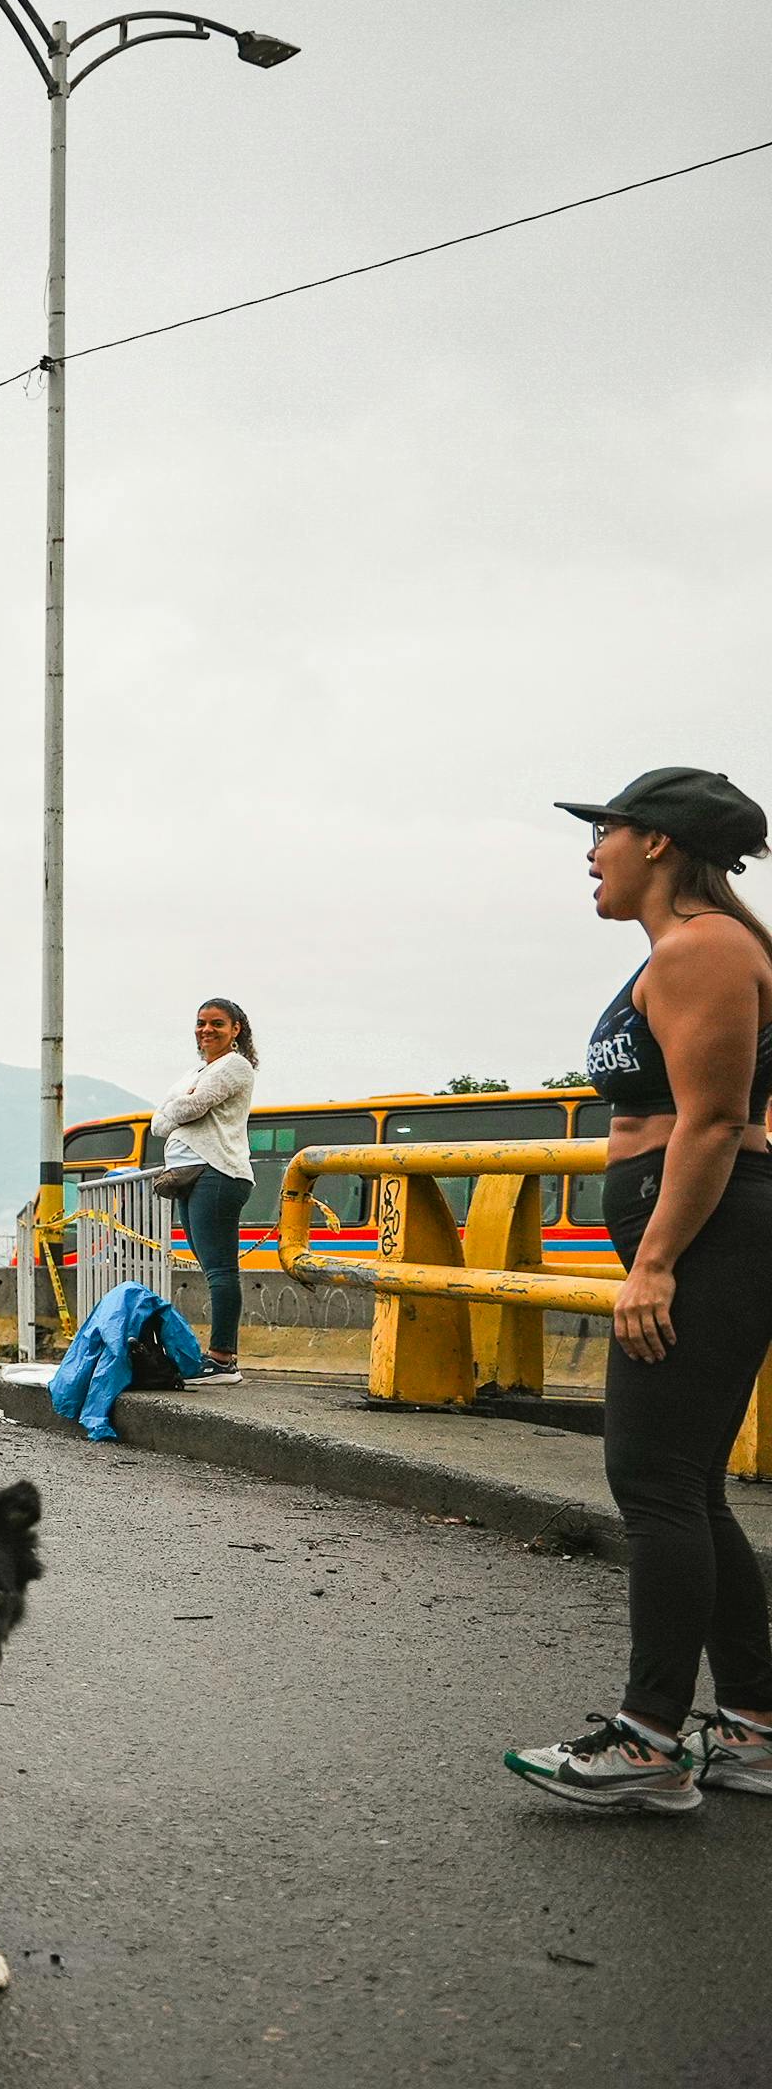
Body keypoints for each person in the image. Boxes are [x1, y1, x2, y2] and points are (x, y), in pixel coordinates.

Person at [507, 768, 772, 1813]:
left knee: (654, 1481)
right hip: (706, 1228)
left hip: (704, 1233)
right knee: (690, 1487)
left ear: (657, 842)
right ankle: (751, 1723)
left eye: (604, 829)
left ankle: (651, 1738)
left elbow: (710, 1120)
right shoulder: (694, 946)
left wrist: (656, 1259)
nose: (591, 850)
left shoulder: (705, 945)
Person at [157, 998, 259, 1382]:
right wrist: (175, 1107)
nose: (206, 1030)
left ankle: (222, 1359)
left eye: (217, 1023)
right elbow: (159, 1122)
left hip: (218, 1173)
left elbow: (190, 1108)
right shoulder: (197, 1070)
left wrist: (175, 1106)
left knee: (219, 1268)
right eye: (201, 1023)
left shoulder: (234, 1065)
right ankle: (220, 1356)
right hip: (191, 1174)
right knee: (209, 1264)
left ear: (236, 1030)